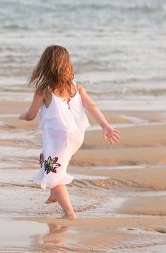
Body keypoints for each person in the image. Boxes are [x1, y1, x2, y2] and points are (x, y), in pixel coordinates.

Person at [18, 45, 120, 219]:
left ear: (44, 65)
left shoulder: (44, 90)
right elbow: (91, 106)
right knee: (53, 163)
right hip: (77, 136)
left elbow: (31, 115)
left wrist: (22, 115)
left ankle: (69, 214)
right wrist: (105, 125)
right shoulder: (76, 87)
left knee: (54, 174)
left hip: (60, 137)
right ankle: (53, 194)